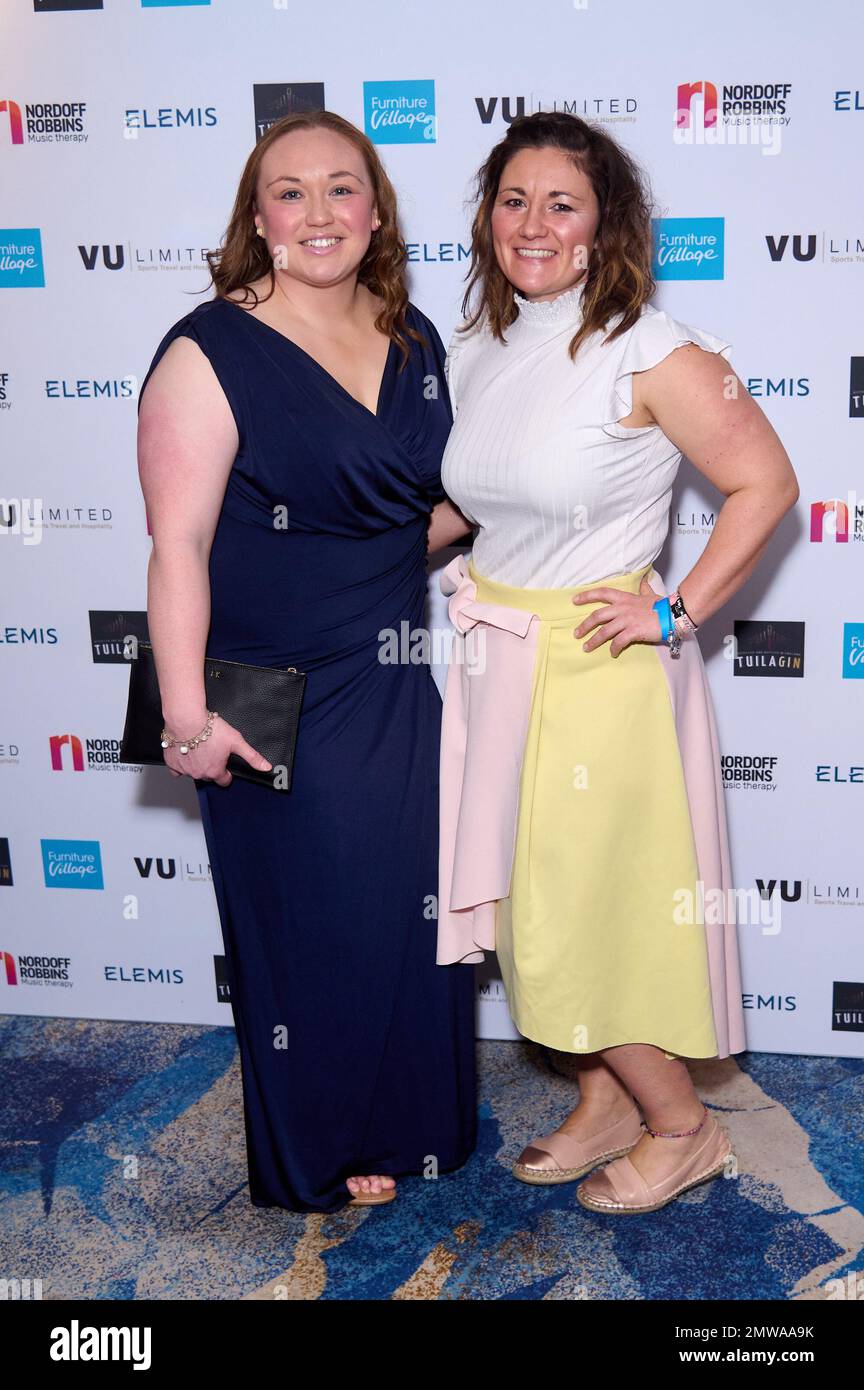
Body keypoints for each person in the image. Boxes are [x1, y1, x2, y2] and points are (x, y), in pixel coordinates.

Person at [434, 111, 799, 1215]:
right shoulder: (483, 343)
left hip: (595, 671)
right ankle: (606, 1099)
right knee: (541, 908)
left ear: (606, 226)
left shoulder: (654, 347)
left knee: (580, 914)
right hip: (501, 658)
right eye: (513, 199)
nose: (533, 224)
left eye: (562, 203)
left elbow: (767, 483)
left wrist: (675, 609)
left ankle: (684, 1128)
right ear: (488, 215)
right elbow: (472, 503)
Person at [135, 110, 477, 1214]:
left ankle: (410, 1122)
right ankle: (322, 1141)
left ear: (376, 210)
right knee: (314, 920)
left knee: (404, 908)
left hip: (390, 668)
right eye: (291, 191)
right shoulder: (208, 349)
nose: (319, 212)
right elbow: (178, 543)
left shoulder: (413, 336)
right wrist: (186, 714)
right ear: (258, 215)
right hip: (270, 690)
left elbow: (418, 510)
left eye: (343, 188)